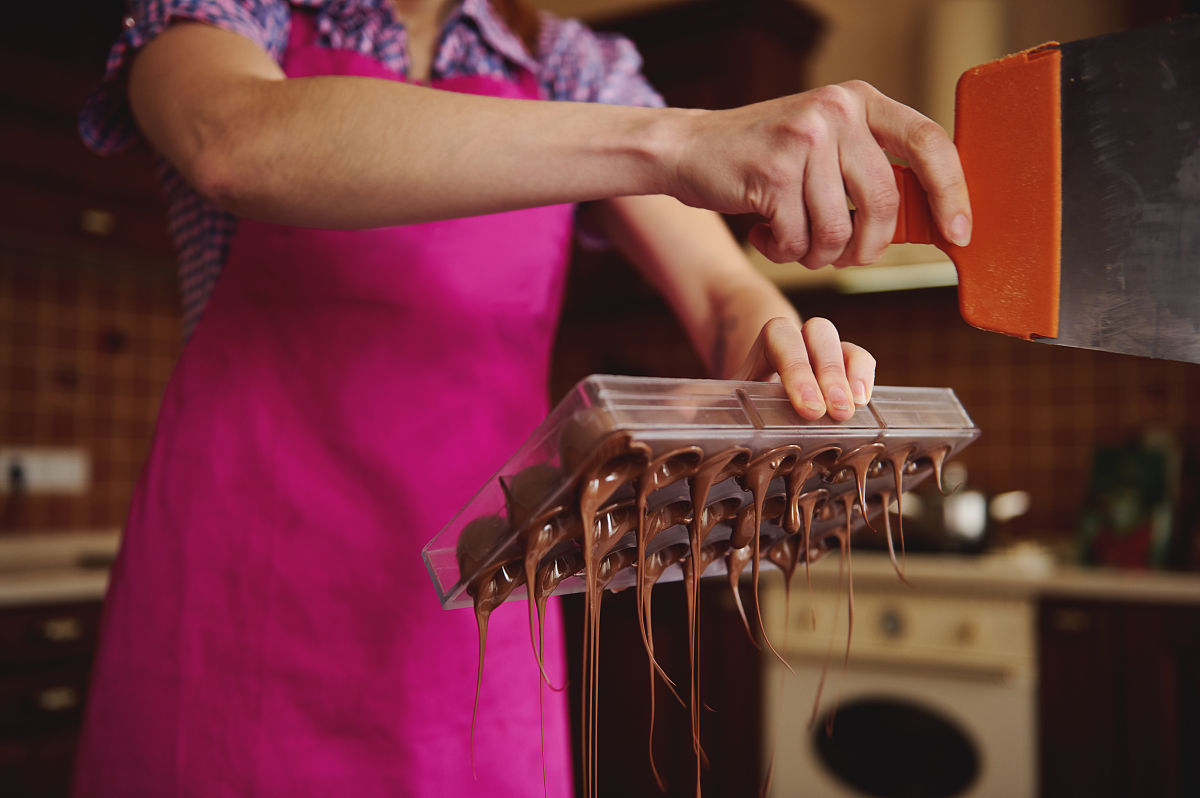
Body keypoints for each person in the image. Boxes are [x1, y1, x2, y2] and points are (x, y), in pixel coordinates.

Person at [72, 1, 972, 796]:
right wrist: (672, 140)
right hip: (230, 615)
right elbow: (236, 138)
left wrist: (775, 352)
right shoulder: (234, 11)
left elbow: (721, 295)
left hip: (481, 625)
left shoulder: (571, 69)